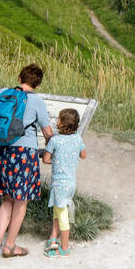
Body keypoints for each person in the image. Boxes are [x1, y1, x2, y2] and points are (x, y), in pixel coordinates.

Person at [0, 63, 52, 258]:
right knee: (21, 201)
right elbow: (47, 131)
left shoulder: (3, 93)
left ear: (19, 78)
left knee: (7, 197)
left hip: (2, 149)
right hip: (24, 154)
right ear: (37, 85)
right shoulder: (37, 101)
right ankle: (10, 246)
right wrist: (52, 145)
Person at [43, 108, 87, 256]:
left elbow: (46, 159)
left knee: (62, 215)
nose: (56, 121)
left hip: (59, 184)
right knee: (58, 210)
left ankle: (65, 247)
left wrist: (57, 160)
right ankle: (53, 238)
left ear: (63, 124)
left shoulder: (55, 140)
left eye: (59, 119)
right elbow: (84, 155)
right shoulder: (77, 138)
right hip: (71, 183)